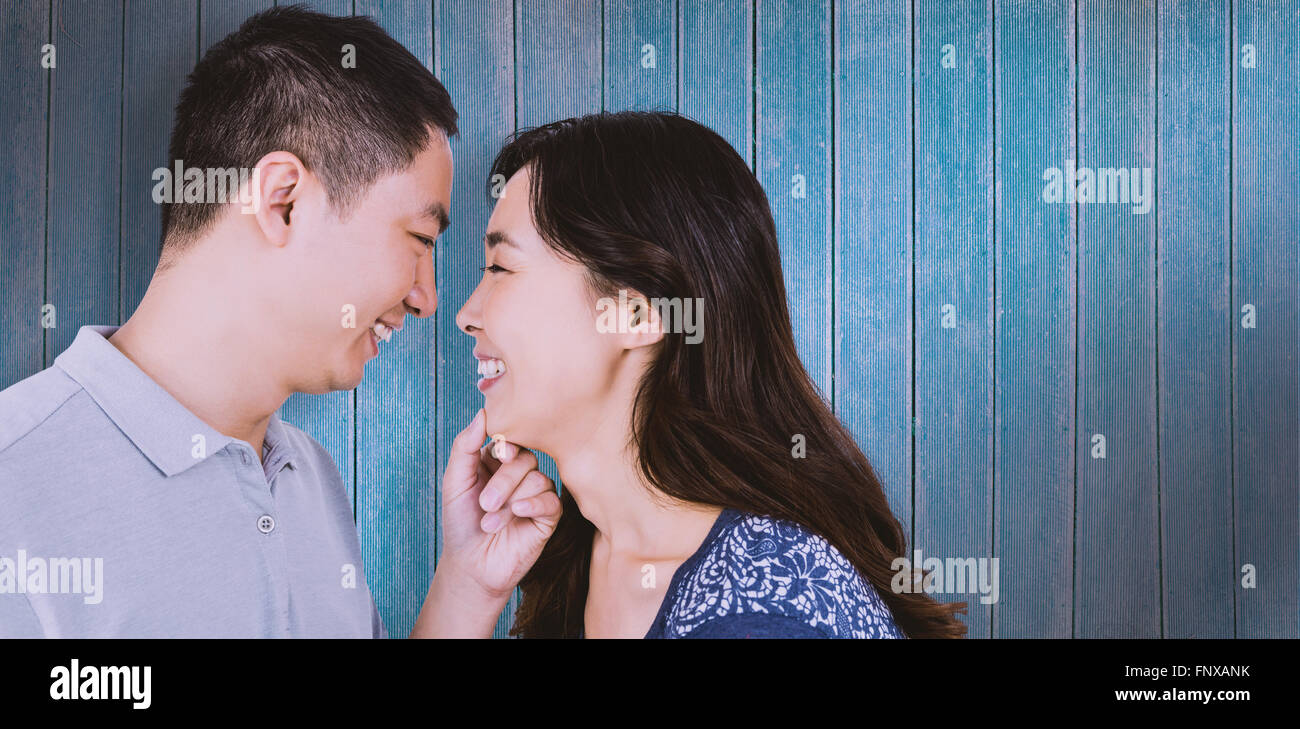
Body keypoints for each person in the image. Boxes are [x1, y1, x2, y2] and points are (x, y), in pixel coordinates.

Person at [0, 6, 558, 638]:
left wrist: (466, 583)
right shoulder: (13, 489)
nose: (428, 298)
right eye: (421, 238)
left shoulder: (306, 476)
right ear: (282, 201)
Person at [455, 110, 969, 638]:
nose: (466, 314)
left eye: (500, 269)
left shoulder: (764, 617)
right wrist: (468, 586)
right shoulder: (586, 556)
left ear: (635, 315)